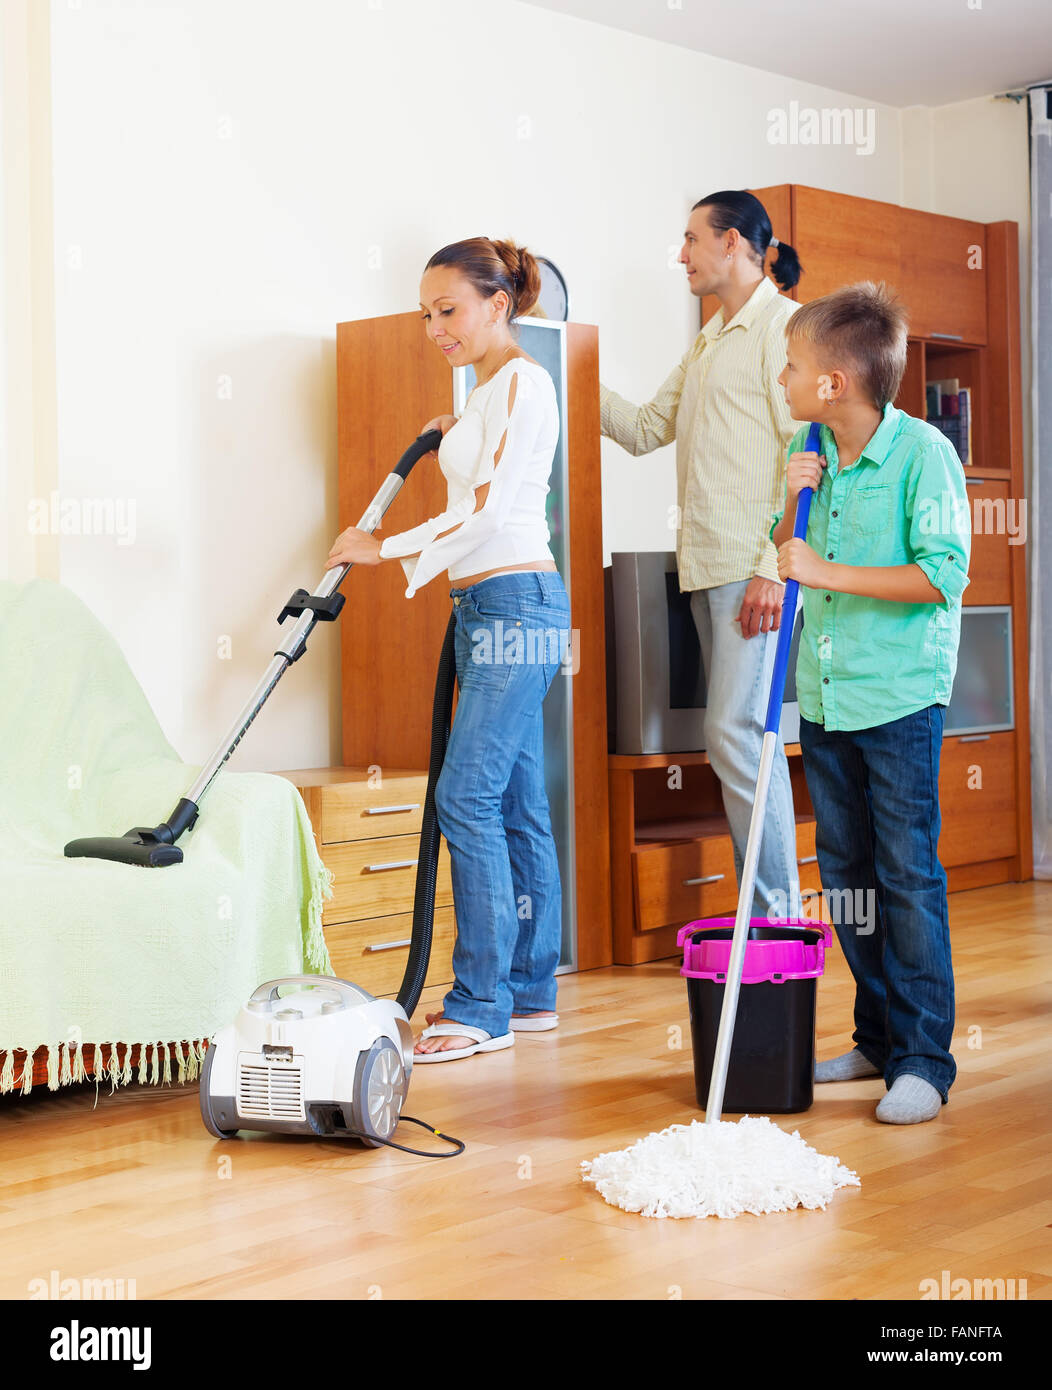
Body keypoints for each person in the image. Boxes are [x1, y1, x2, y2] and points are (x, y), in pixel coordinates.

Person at [327, 237, 570, 1062]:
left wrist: (380, 546)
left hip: (514, 606)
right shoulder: (491, 392)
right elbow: (485, 472)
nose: (435, 327)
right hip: (488, 609)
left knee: (465, 797)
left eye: (449, 310)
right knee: (514, 803)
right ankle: (531, 991)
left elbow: (492, 514)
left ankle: (479, 1005)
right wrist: (455, 425)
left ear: (498, 305)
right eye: (426, 313)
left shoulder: (526, 384)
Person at [772, 281, 970, 1124]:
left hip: (896, 701)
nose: (782, 381)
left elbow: (939, 576)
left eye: (791, 368)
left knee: (906, 875)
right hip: (825, 699)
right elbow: (787, 558)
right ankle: (879, 1039)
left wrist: (823, 571)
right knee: (848, 880)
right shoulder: (821, 455)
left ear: (834, 383)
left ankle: (925, 1060)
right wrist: (792, 497)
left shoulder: (923, 453)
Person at [600, 190, 804, 919]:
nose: (680, 255)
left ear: (737, 244)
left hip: (754, 574)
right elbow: (646, 427)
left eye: (691, 239)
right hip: (707, 571)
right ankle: (774, 915)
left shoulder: (784, 331)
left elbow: (803, 452)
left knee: (737, 737)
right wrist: (565, 366)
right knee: (742, 743)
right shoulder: (712, 338)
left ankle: (776, 921)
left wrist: (771, 567)